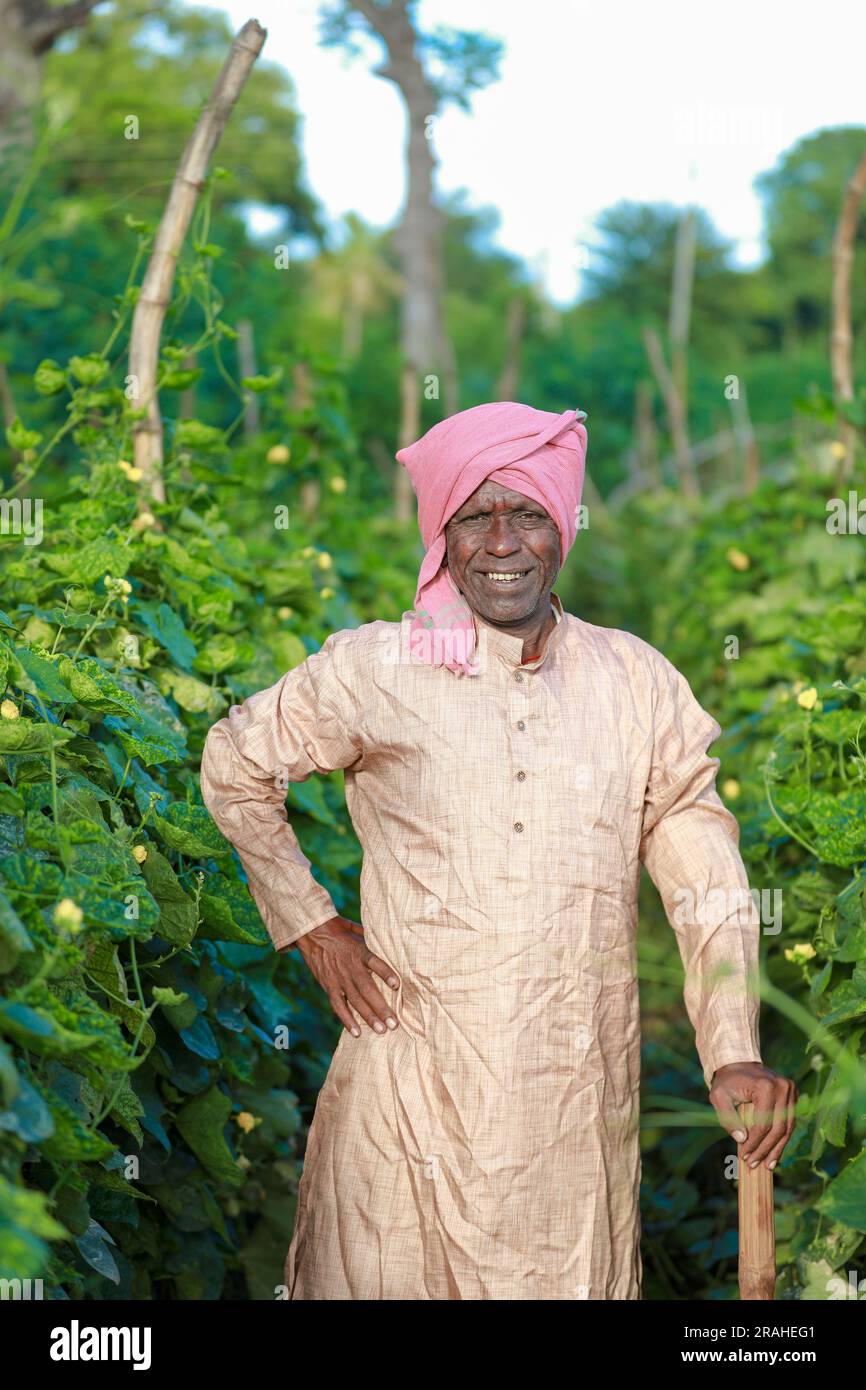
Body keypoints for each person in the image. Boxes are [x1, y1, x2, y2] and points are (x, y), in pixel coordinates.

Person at [199, 401, 796, 1300]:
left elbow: (705, 876)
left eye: (528, 513)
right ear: (443, 535)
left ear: (564, 524)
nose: (503, 541)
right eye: (474, 515)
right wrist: (313, 925)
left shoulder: (635, 683)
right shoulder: (382, 666)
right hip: (408, 1094)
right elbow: (235, 763)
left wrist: (729, 1048)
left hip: (570, 1098)